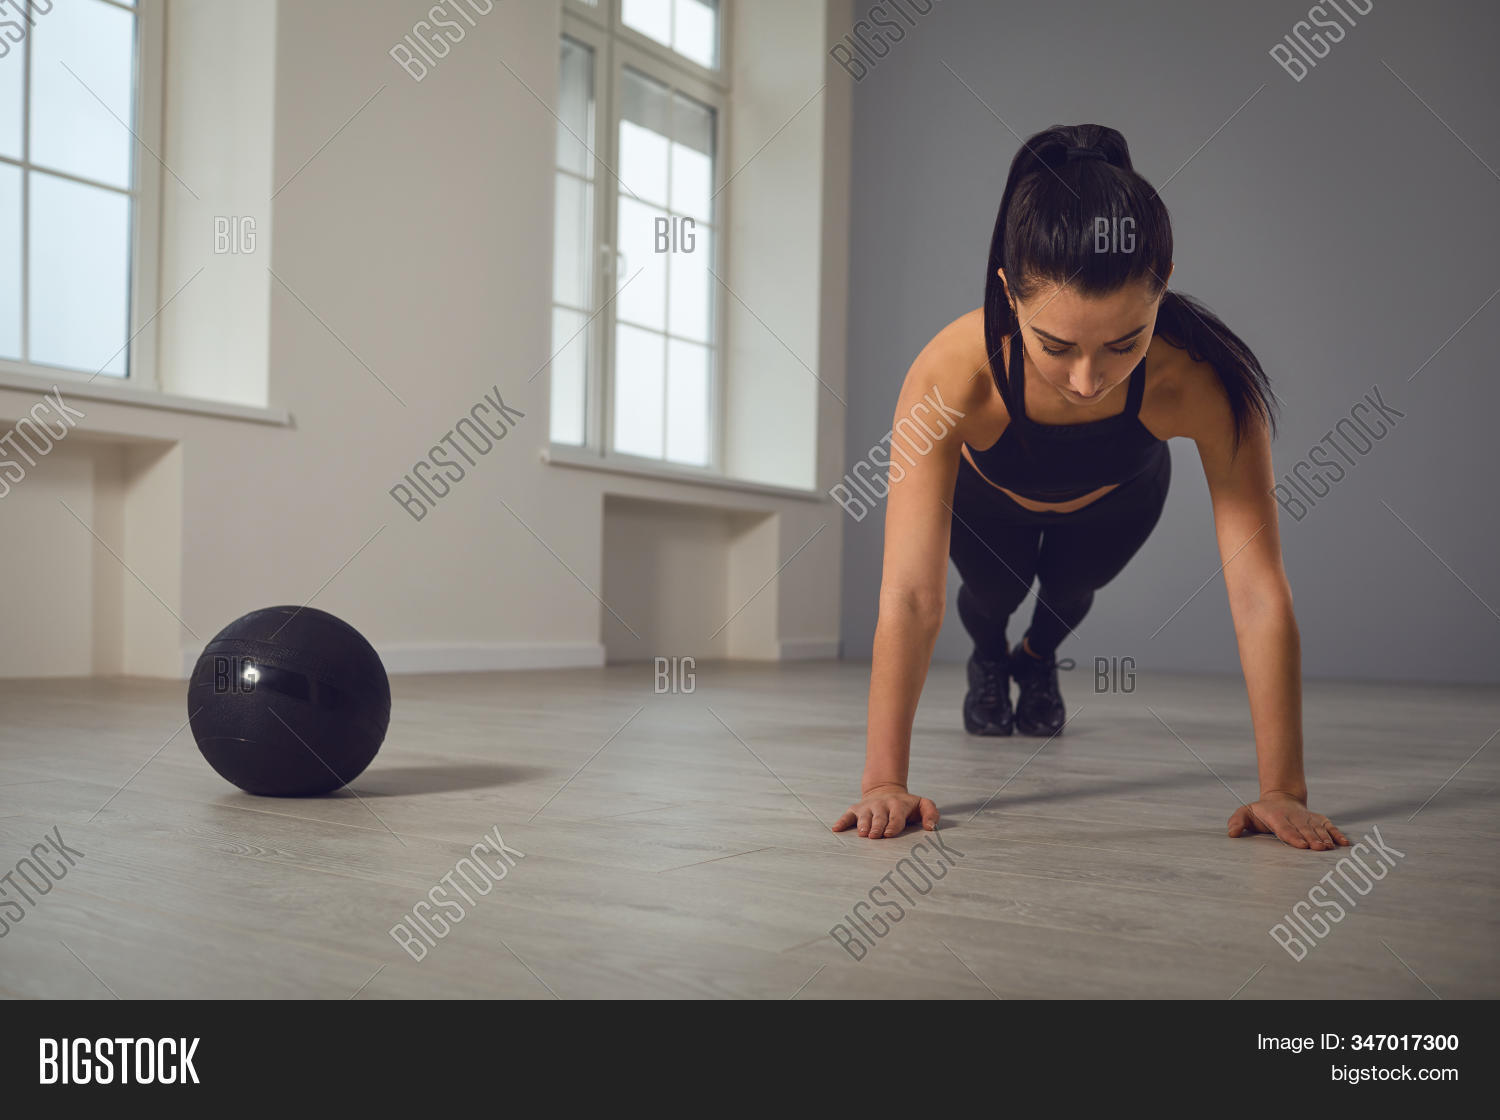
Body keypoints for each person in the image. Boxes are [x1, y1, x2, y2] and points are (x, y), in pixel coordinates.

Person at [834, 124, 1350, 853]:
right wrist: (883, 781)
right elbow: (911, 595)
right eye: (1056, 346)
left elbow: (1259, 589)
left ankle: (1035, 662)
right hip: (992, 506)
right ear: (1011, 294)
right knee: (991, 595)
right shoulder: (951, 376)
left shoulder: (1203, 383)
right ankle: (992, 658)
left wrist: (1284, 791)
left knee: (1070, 592)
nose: (1086, 380)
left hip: (1117, 500)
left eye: (1122, 344)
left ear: (1164, 277)